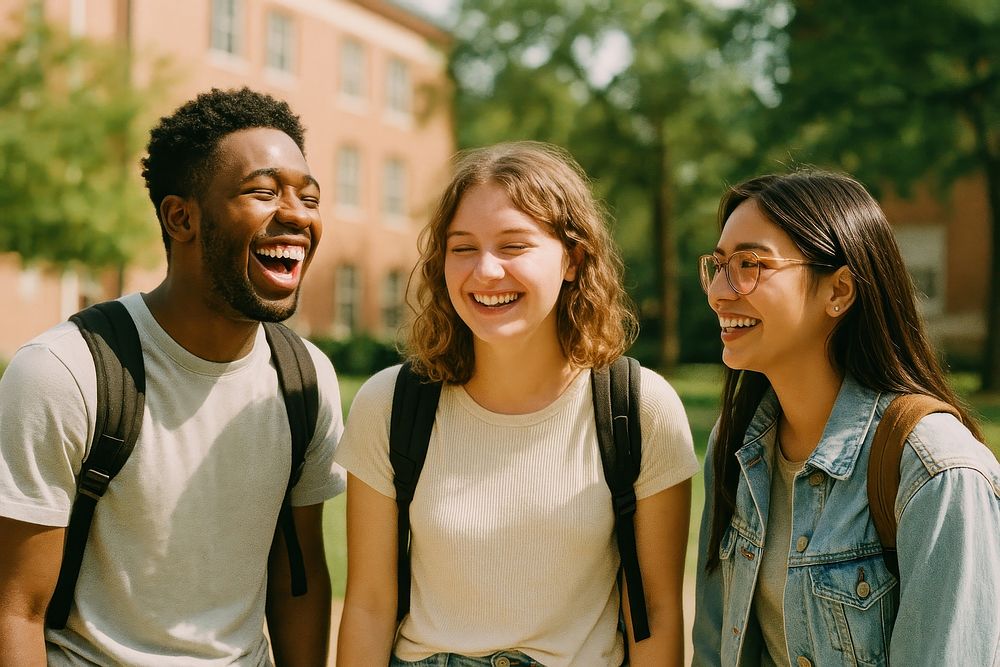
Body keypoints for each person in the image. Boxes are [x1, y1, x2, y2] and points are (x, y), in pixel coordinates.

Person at [0, 87, 345, 666]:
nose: (296, 214)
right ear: (180, 217)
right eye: (263, 191)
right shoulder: (64, 371)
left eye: (308, 197)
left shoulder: (305, 377)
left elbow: (297, 581)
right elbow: (15, 609)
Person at [334, 141, 699, 667]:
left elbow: (656, 614)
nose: (485, 271)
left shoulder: (640, 409)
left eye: (513, 246)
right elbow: (368, 606)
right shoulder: (390, 404)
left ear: (572, 259)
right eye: (462, 248)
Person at [691, 170, 1000, 666]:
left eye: (750, 264)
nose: (719, 293)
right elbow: (713, 651)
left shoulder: (939, 473)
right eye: (719, 264)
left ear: (838, 291)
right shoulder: (735, 450)